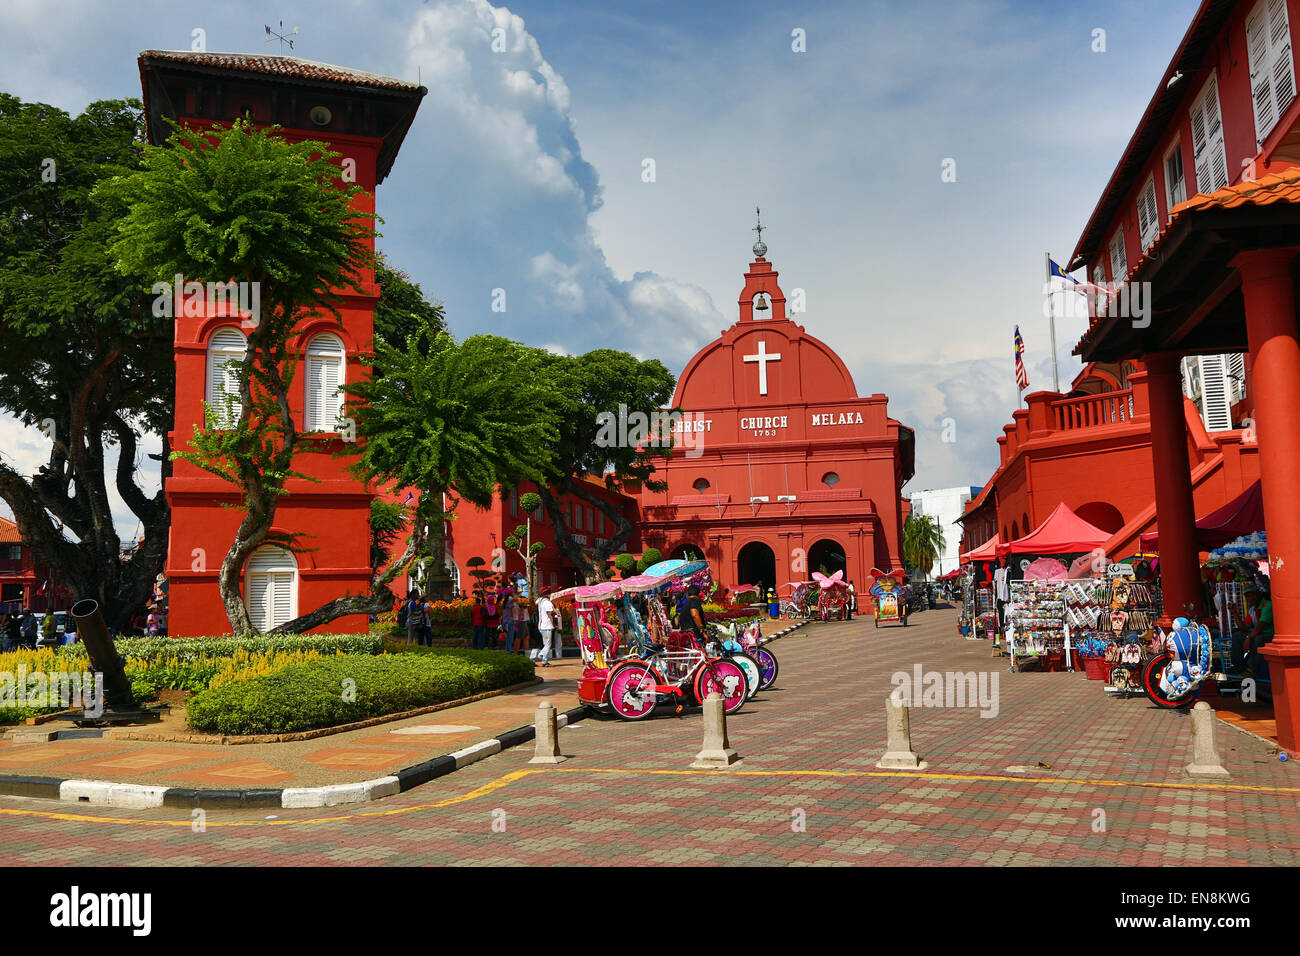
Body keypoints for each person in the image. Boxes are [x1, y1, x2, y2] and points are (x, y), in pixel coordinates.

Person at [1235, 586, 1274, 678]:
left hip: (1271, 636)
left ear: (1259, 594)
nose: (1250, 599)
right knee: (1237, 636)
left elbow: (1260, 627)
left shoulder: (1267, 605)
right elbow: (1244, 628)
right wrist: (1234, 613)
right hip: (1259, 634)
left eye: (1252, 595)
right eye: (1248, 597)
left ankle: (1253, 670)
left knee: (1257, 639)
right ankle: (1239, 667)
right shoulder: (1252, 609)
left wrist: (1248, 638)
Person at [536, 593, 556, 665]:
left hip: (541, 625)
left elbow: (536, 602)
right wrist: (556, 611)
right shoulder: (547, 602)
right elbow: (549, 612)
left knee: (546, 644)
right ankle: (538, 655)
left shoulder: (540, 601)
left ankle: (544, 661)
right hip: (547, 625)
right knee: (548, 645)